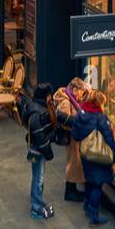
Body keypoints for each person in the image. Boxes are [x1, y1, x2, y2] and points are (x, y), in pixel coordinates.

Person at [71, 89, 115, 227]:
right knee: (97, 184)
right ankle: (94, 215)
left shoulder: (81, 114)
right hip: (98, 156)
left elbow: (75, 134)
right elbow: (109, 138)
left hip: (86, 154)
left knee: (89, 180)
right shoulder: (101, 118)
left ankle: (87, 205)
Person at [52, 76, 88, 203]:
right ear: (74, 89)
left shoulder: (70, 98)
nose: (80, 96)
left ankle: (72, 190)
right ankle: (70, 192)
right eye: (80, 92)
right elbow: (64, 121)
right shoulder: (66, 102)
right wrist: (78, 121)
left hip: (74, 137)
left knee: (73, 164)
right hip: (71, 137)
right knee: (72, 164)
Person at [24, 83, 55, 220]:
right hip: (38, 149)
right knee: (38, 177)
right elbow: (40, 137)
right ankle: (36, 207)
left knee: (38, 176)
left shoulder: (37, 108)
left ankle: (37, 200)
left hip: (37, 147)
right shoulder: (38, 114)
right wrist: (48, 152)